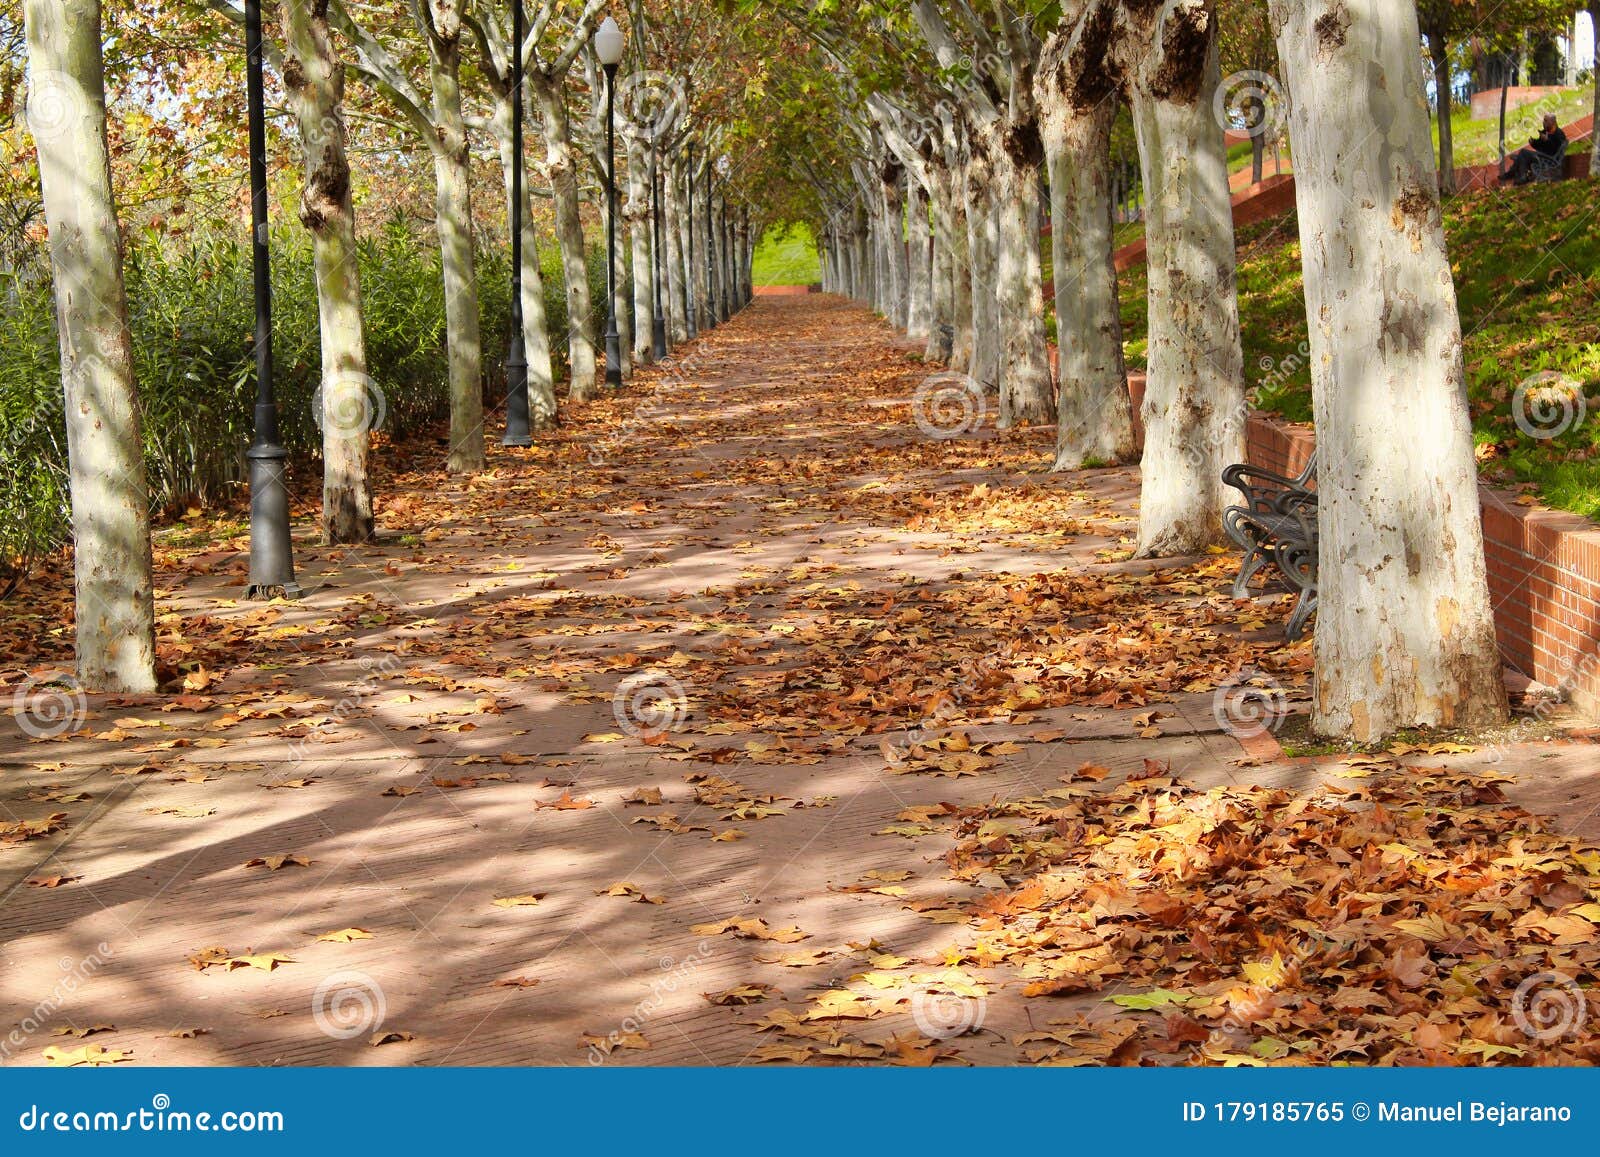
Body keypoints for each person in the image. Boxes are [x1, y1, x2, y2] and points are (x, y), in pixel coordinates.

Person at [1500, 114, 1568, 184]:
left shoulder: (1559, 134)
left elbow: (1555, 149)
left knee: (1523, 153)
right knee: (1520, 157)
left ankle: (1519, 176)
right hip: (1541, 156)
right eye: (1544, 120)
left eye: (1546, 121)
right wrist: (1533, 142)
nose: (1543, 122)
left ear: (1553, 122)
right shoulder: (1545, 132)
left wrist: (1547, 140)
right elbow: (1539, 146)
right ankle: (1519, 177)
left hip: (1548, 158)